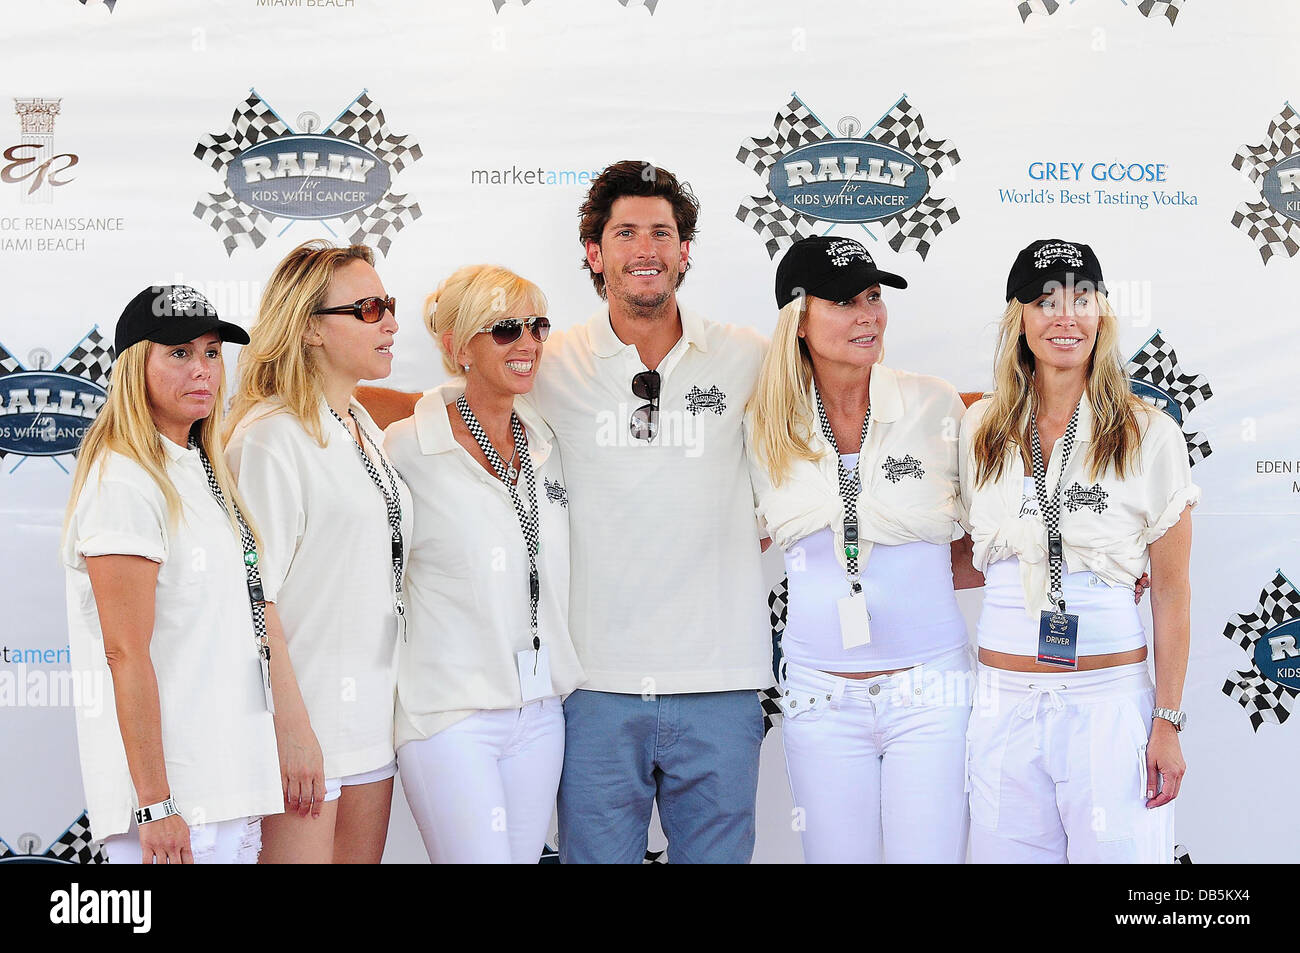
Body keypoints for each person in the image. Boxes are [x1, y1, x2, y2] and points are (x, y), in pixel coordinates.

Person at [528, 160, 771, 864]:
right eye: (626, 232)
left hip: (721, 683)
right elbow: (456, 411)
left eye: (662, 232)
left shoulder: (748, 357)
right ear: (594, 253)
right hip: (594, 686)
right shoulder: (547, 363)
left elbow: (853, 398)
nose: (647, 249)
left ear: (685, 251)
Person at [960, 238, 1195, 863]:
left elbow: (1171, 589)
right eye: (1045, 301)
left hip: (1108, 708)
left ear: (1102, 312)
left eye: (1081, 298)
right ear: (1019, 317)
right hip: (1003, 706)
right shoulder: (979, 428)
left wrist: (1167, 721)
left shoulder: (1150, 432)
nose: (1066, 317)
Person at [745, 236, 977, 864]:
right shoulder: (762, 423)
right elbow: (721, 542)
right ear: (798, 318)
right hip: (820, 695)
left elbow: (1004, 522)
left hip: (931, 690)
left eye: (874, 297)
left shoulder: (936, 405)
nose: (868, 315)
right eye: (846, 302)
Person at [62, 285, 282, 864]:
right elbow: (124, 652)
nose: (203, 370)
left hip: (226, 786)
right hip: (174, 806)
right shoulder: (124, 480)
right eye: (179, 353)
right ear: (136, 366)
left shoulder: (201, 468)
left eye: (211, 352)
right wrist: (155, 804)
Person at [384, 264, 585, 863]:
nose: (527, 343)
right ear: (455, 346)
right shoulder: (404, 447)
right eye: (503, 330)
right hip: (451, 713)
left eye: (537, 326)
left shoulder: (546, 439)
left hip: (541, 709)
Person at [225, 240, 412, 864]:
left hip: (371, 730)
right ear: (308, 329)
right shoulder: (272, 440)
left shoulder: (364, 427)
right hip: (302, 733)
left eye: (388, 304)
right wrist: (293, 731)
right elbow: (252, 601)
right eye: (366, 309)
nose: (388, 321)